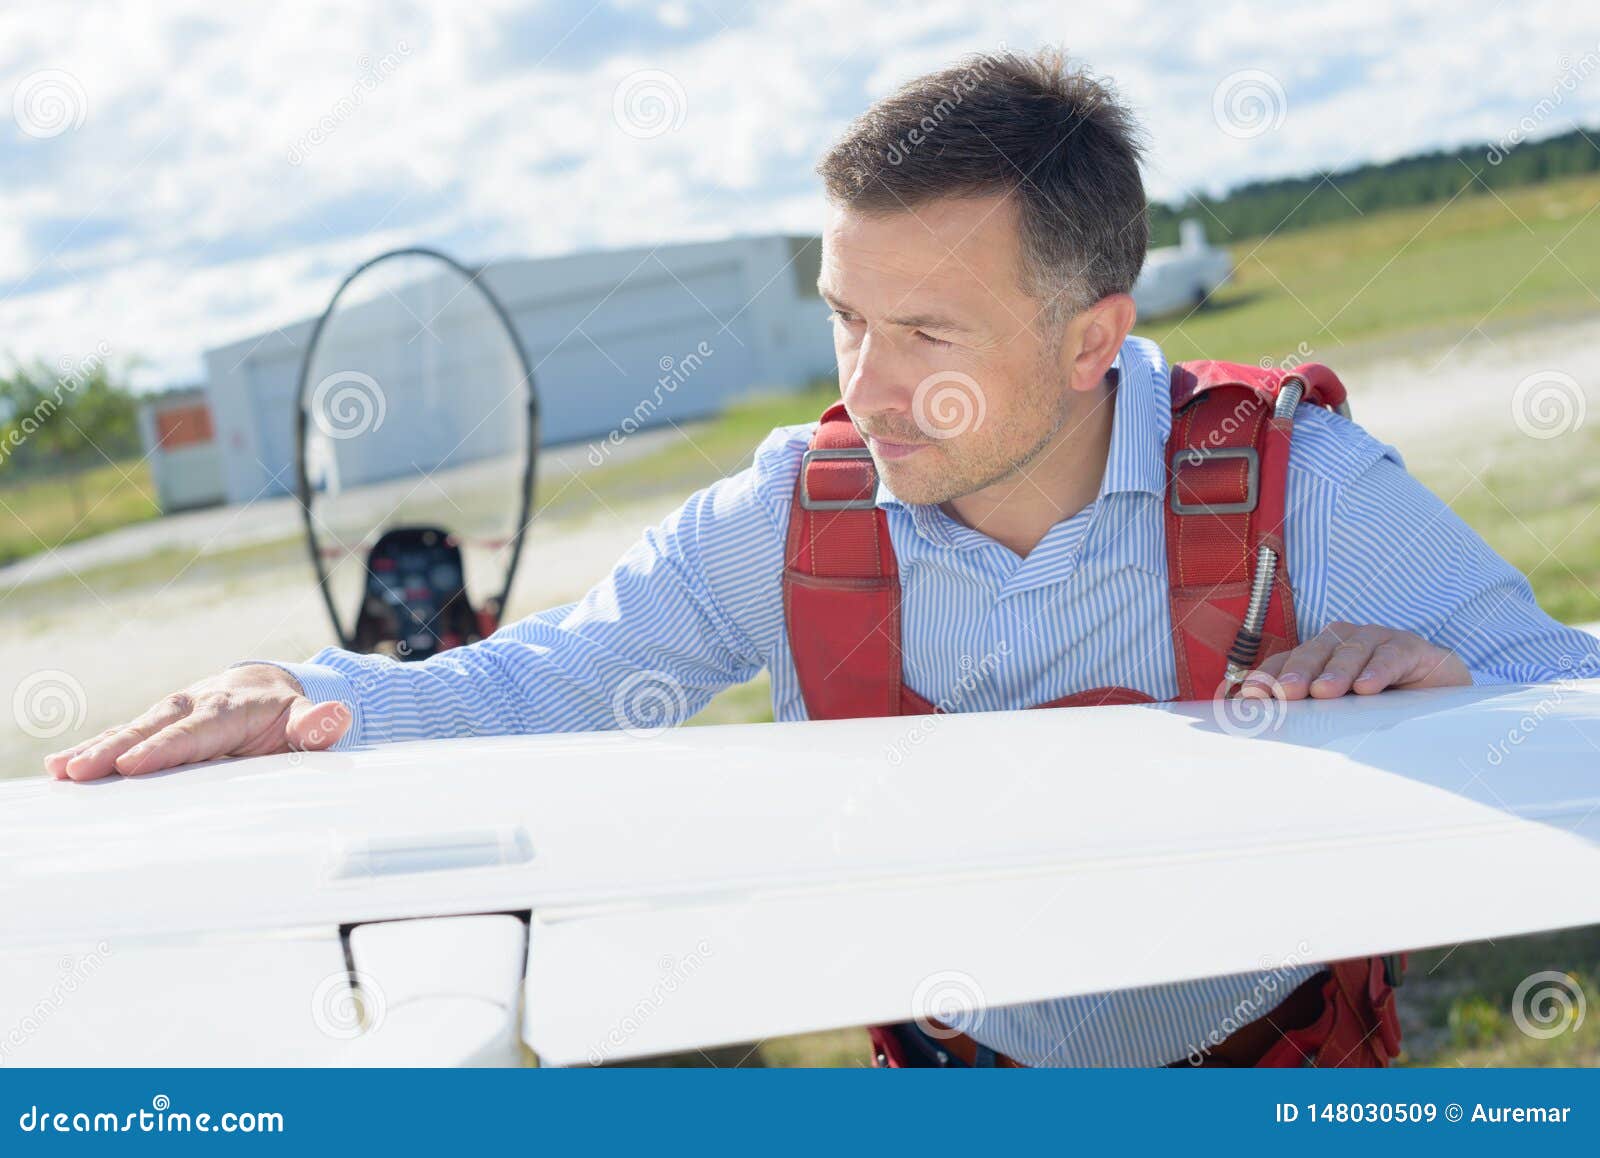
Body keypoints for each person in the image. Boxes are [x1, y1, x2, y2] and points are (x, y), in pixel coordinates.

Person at [44, 48, 1599, 1067]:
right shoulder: (790, 511)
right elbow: (542, 683)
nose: (866, 384)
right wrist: (304, 694)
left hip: (1271, 1074)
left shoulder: (1300, 488)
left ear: (1092, 340)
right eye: (847, 318)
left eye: (927, 332)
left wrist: (1454, 689)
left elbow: (1567, 694)